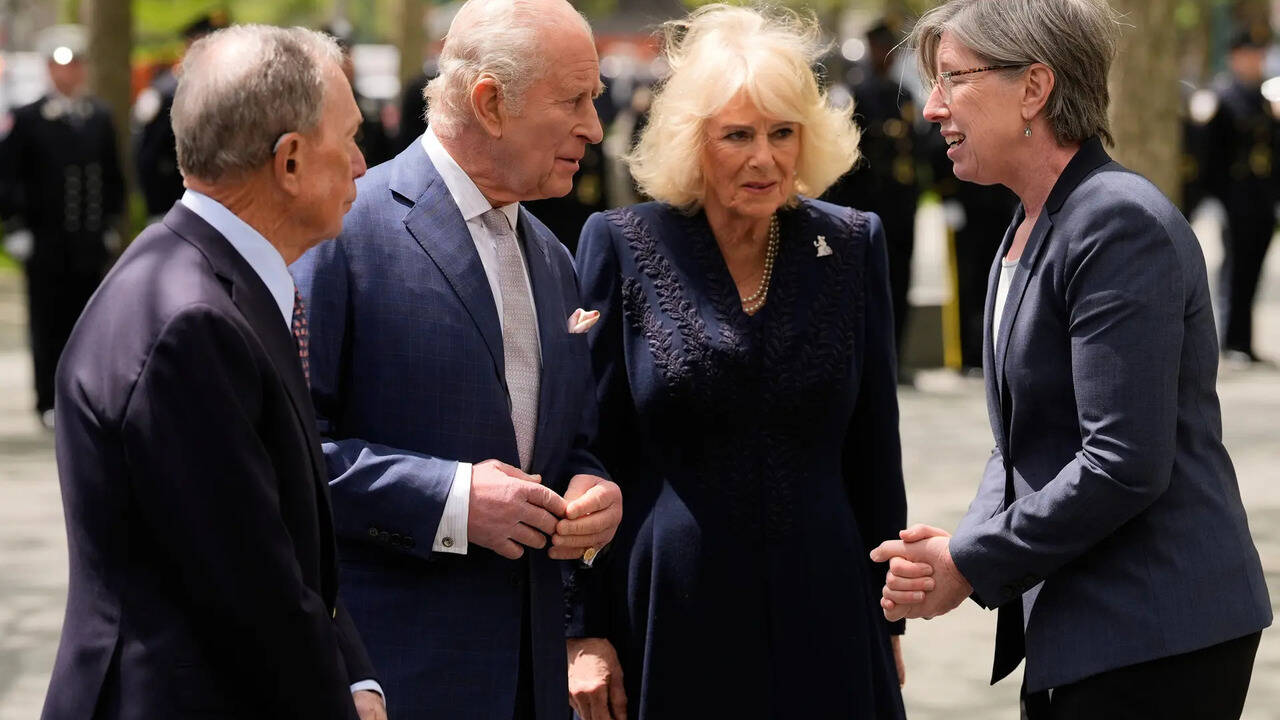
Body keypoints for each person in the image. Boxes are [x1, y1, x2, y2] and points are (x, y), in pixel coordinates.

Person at [871, 2, 1272, 719]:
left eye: (953, 79)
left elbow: (1122, 460)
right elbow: (1023, 438)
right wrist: (970, 547)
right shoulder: (1030, 222)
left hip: (1155, 632)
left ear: (1034, 88)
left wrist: (969, 561)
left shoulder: (1115, 222)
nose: (931, 107)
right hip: (1089, 627)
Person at [569, 5, 908, 718]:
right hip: (671, 608)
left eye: (783, 132)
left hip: (829, 603)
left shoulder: (851, 243)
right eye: (738, 135)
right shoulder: (621, 242)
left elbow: (875, 448)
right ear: (694, 142)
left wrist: (890, 615)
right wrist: (584, 630)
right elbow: (591, 450)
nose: (765, 158)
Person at [40, 25, 387, 720]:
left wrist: (357, 679)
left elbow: (292, 550)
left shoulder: (203, 283)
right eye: (347, 139)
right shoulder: (191, 324)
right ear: (288, 161)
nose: (361, 165)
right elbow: (251, 592)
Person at [289, 1, 622, 718]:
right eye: (574, 100)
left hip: (533, 684)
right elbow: (289, 455)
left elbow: (573, 444)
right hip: (402, 677)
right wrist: (453, 500)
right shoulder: (345, 231)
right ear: (490, 103)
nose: (594, 128)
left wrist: (593, 495)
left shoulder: (553, 258)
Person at [0, 25, 124, 430]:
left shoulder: (98, 117)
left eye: (74, 66)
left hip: (87, 241)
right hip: (46, 242)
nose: (68, 75)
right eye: (59, 66)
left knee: (87, 321)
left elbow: (111, 176)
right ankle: (47, 399)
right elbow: (9, 177)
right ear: (49, 69)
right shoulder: (28, 118)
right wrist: (15, 226)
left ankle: (84, 397)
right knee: (47, 323)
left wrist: (109, 222)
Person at [823, 18, 922, 363]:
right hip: (865, 201)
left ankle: (894, 355)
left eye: (890, 50)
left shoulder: (904, 94)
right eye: (880, 48)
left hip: (900, 205)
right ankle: (866, 355)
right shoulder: (854, 93)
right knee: (862, 282)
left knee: (900, 278)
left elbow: (916, 148)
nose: (885, 56)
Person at [1197, 26, 1279, 365]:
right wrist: (1217, 199)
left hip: (1261, 200)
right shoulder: (1224, 98)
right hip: (1235, 199)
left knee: (1253, 270)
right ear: (1235, 58)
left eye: (1258, 55)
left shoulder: (1263, 100)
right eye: (1248, 54)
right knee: (1234, 270)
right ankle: (1229, 340)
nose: (1255, 61)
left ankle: (1244, 342)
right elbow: (1210, 156)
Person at [133, 12, 226, 223]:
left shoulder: (226, 89)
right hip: (172, 202)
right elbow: (147, 155)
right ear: (191, 43)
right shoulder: (164, 91)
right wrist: (156, 206)